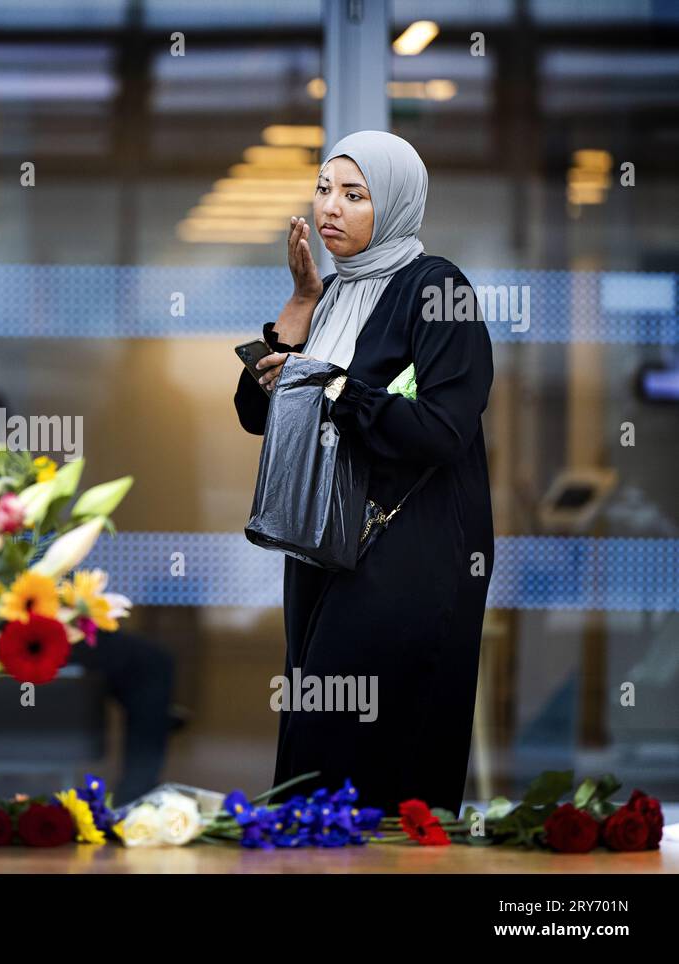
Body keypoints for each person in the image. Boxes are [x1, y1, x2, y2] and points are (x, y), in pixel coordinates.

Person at [233, 131, 494, 816]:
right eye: (324, 188)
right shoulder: (333, 298)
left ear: (398, 204)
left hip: (408, 554)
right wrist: (299, 304)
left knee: (361, 749)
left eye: (355, 194)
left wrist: (336, 387)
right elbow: (255, 414)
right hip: (325, 549)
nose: (331, 207)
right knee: (313, 744)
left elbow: (443, 429)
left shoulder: (437, 289)